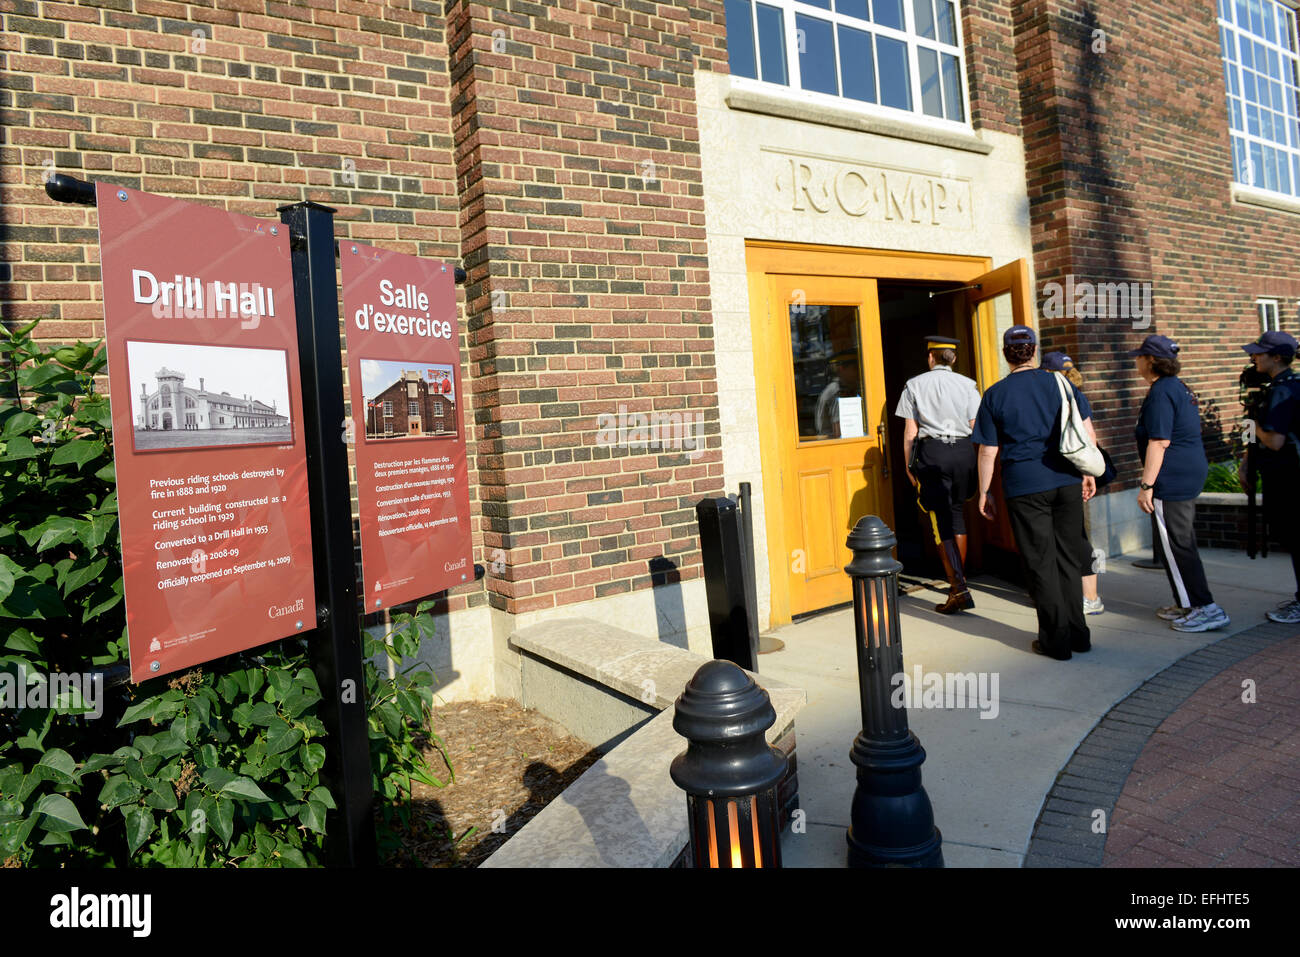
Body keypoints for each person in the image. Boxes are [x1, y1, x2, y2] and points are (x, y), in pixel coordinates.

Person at [972, 326, 1096, 660]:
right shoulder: (1061, 383)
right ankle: (1079, 635)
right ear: (1035, 350)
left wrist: (985, 491)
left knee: (1041, 563)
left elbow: (987, 451)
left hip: (1024, 486)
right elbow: (1087, 432)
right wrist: (1086, 471)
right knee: (1070, 558)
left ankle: (1056, 641)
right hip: (1067, 479)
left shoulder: (995, 394)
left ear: (1005, 354)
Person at [1129, 334, 1225, 632]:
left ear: (1151, 361)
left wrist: (1147, 486)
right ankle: (1187, 602)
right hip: (1188, 470)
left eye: (1140, 356)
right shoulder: (1177, 387)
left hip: (1172, 476)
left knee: (1177, 544)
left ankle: (1204, 607)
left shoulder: (1161, 392)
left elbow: (1159, 442)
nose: (1137, 360)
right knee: (1178, 541)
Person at [896, 335, 983, 613]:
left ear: (931, 357)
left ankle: (958, 589)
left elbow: (911, 432)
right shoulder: (968, 385)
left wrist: (909, 465)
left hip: (933, 452)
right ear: (953, 358)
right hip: (962, 450)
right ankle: (961, 582)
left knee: (939, 520)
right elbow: (975, 425)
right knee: (956, 513)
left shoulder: (914, 384)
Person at [1239, 330, 1300, 623]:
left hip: (1289, 479)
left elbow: (1274, 440)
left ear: (1277, 357)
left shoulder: (1282, 391)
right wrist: (1246, 461)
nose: (1253, 357)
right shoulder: (1282, 386)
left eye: (1259, 353)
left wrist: (1252, 422)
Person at [1042, 351, 1105, 616]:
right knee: (1076, 536)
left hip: (1068, 474)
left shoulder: (1060, 395)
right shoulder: (1076, 393)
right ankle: (1085, 596)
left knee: (1076, 538)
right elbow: (1090, 434)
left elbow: (1089, 435)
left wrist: (1085, 474)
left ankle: (1090, 598)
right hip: (1074, 474)